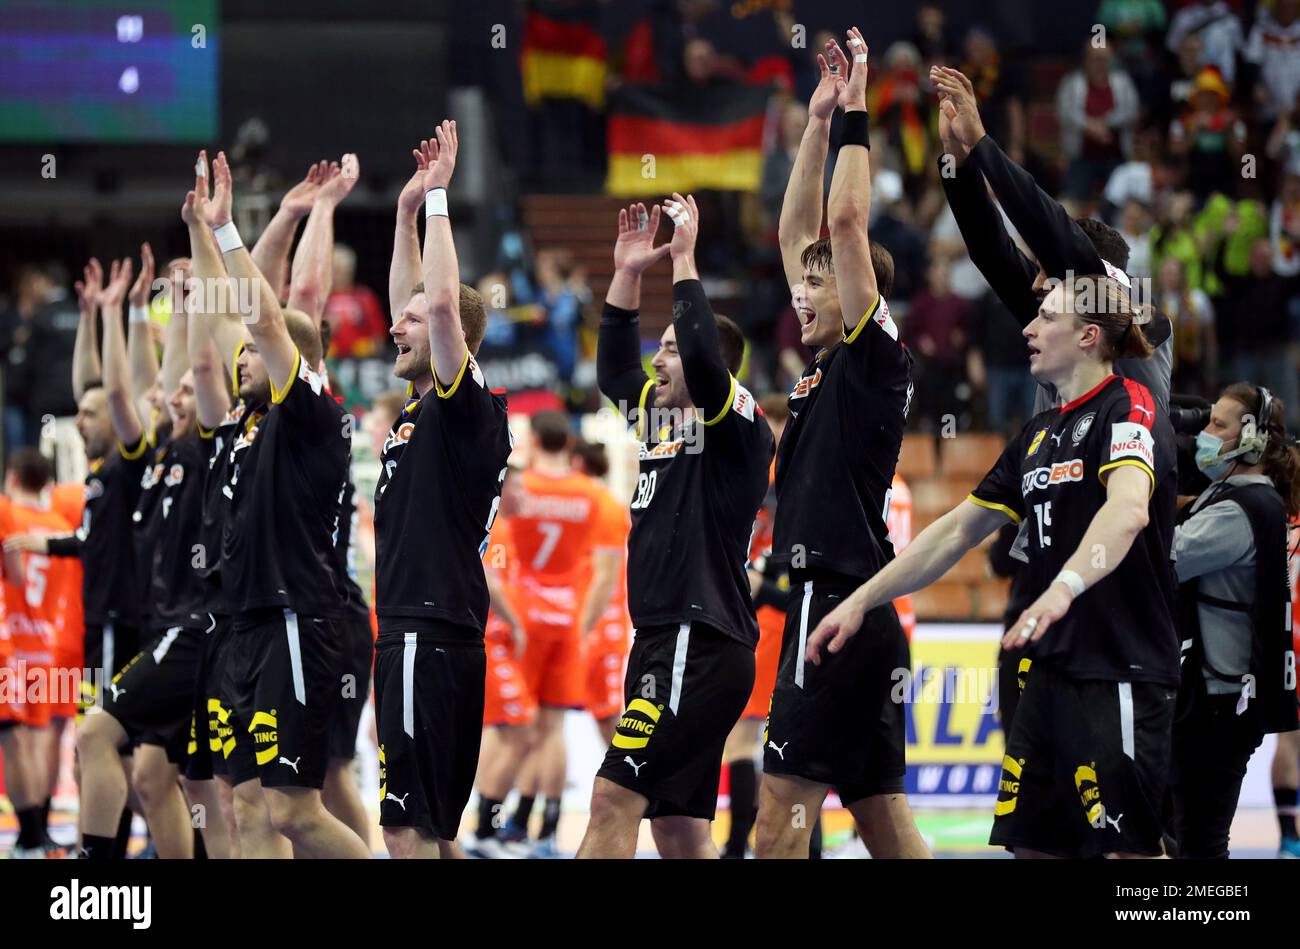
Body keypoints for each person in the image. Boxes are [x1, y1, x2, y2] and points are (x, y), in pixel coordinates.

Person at [808, 273, 1178, 859]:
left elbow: (1128, 510)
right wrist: (859, 600)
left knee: (1127, 852)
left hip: (1119, 667)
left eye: (1046, 318)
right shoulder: (1036, 435)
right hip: (1047, 672)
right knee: (1032, 846)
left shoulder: (1127, 406)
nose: (1028, 330)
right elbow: (956, 531)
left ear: (1088, 336)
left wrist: (1063, 588)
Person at [755, 29, 925, 861]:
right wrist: (816, 122)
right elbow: (799, 230)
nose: (800, 294)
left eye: (818, 282)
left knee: (777, 812)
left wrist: (858, 102)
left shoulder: (871, 354)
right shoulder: (825, 362)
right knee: (883, 815)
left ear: (859, 292)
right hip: (846, 606)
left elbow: (845, 221)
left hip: (838, 600)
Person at [580, 192, 772, 859]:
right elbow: (612, 370)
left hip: (700, 639)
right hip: (665, 639)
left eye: (668, 350)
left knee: (612, 798)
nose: (656, 361)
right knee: (678, 828)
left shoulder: (736, 429)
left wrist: (684, 260)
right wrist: (628, 273)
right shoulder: (662, 422)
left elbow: (698, 346)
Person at [198, 150, 369, 858]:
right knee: (244, 803)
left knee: (304, 802)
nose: (241, 357)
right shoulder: (244, 423)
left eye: (252, 357)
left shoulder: (311, 412)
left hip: (305, 615)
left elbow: (278, 311)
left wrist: (240, 230)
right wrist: (287, 214)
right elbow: (242, 315)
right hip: (245, 621)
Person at [373, 122, 512, 859]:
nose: (397, 326)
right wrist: (403, 213)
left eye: (414, 318)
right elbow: (419, 307)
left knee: (404, 830)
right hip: (428, 634)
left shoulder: (466, 408)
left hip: (427, 635)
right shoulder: (427, 404)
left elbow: (441, 308)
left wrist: (438, 203)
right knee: (428, 831)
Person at [1170, 383, 1300, 858]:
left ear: (1251, 439)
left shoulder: (1241, 507)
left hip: (1217, 706)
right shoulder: (1231, 497)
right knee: (1181, 838)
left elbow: (1162, 558)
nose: (1203, 434)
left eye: (1216, 425)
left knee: (1200, 847)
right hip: (1212, 702)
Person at [0, 449, 80, 858]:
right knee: (50, 734)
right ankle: (42, 829)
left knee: (18, 739)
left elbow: (12, 574)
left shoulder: (6, 512)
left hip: (12, 638)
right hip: (54, 639)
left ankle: (32, 835)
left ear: (12, 477)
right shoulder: (61, 524)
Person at [721, 393, 788, 860]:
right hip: (769, 607)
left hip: (773, 612)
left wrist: (760, 577)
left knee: (748, 734)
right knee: (757, 734)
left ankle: (738, 841)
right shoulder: (771, 471)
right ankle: (745, 838)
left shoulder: (778, 473)